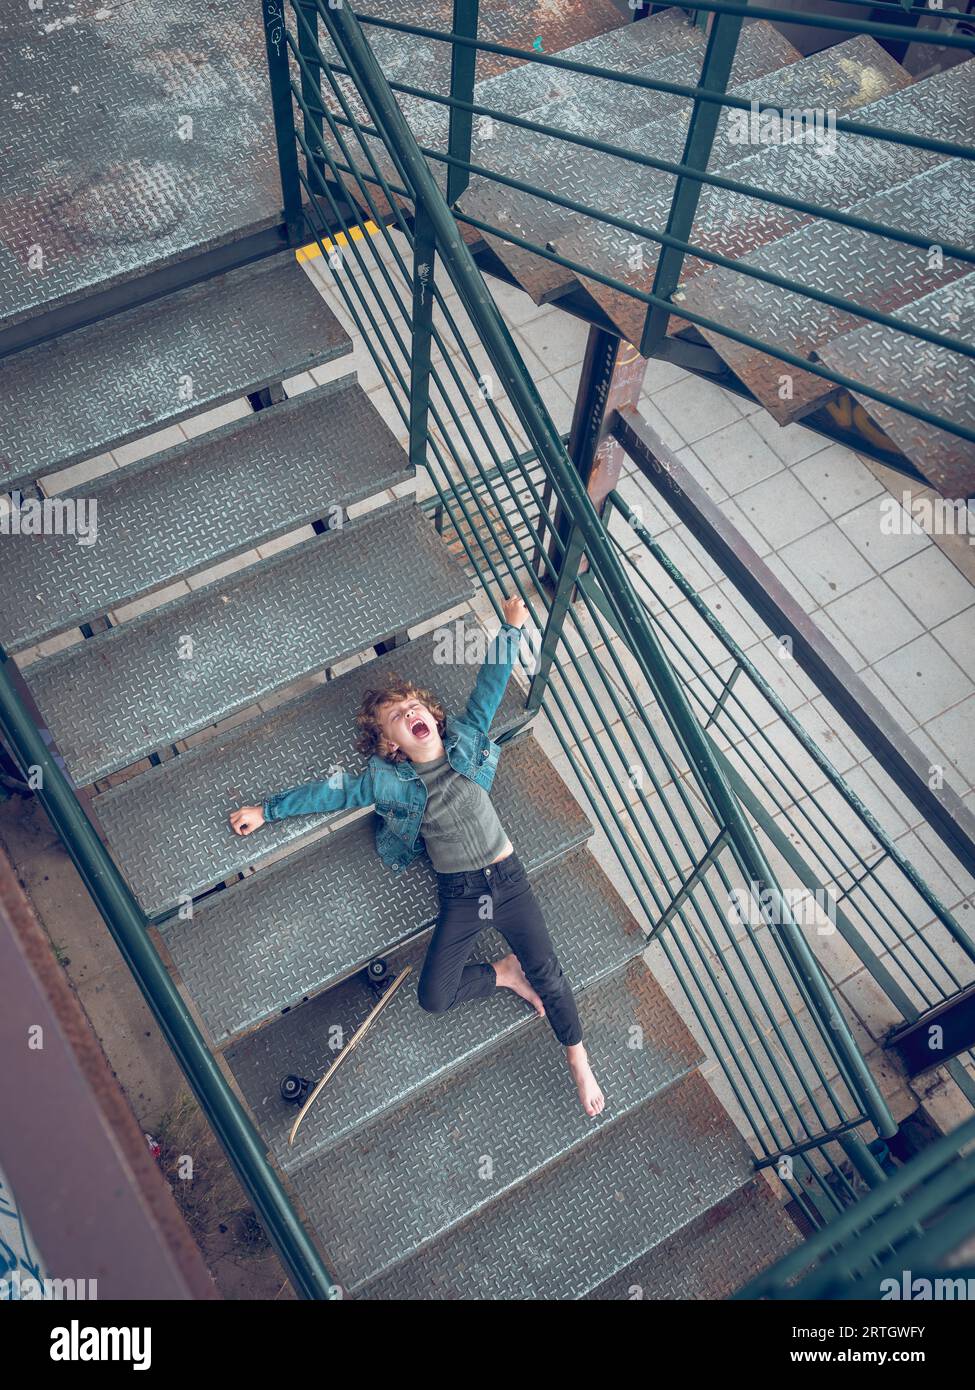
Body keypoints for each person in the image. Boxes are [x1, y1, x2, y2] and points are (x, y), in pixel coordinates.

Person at [230, 597, 604, 1117]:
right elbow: (331, 793)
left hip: (510, 883)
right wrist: (267, 811)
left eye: (413, 706)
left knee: (550, 974)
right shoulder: (386, 782)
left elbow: (490, 685)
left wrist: (512, 629)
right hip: (461, 896)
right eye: (395, 717)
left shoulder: (467, 740)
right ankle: (504, 973)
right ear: (391, 746)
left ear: (432, 716)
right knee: (435, 996)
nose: (409, 713)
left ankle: (578, 1058)